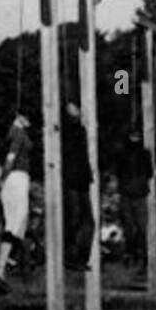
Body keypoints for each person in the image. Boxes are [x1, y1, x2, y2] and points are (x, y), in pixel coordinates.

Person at [0, 115, 32, 296]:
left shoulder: (13, 133)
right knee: (15, 223)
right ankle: (0, 268)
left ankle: (6, 266)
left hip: (16, 178)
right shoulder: (18, 133)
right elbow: (10, 158)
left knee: (18, 225)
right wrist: (4, 176)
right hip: (16, 178)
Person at [62, 101, 94, 271]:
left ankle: (78, 257)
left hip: (80, 180)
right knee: (76, 218)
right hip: (74, 179)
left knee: (87, 221)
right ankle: (73, 256)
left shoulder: (78, 130)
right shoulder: (71, 131)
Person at [117, 131, 155, 272]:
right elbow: (149, 173)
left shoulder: (126, 153)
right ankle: (137, 253)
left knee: (135, 226)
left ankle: (135, 253)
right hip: (135, 193)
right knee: (137, 226)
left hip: (133, 193)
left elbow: (149, 172)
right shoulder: (143, 154)